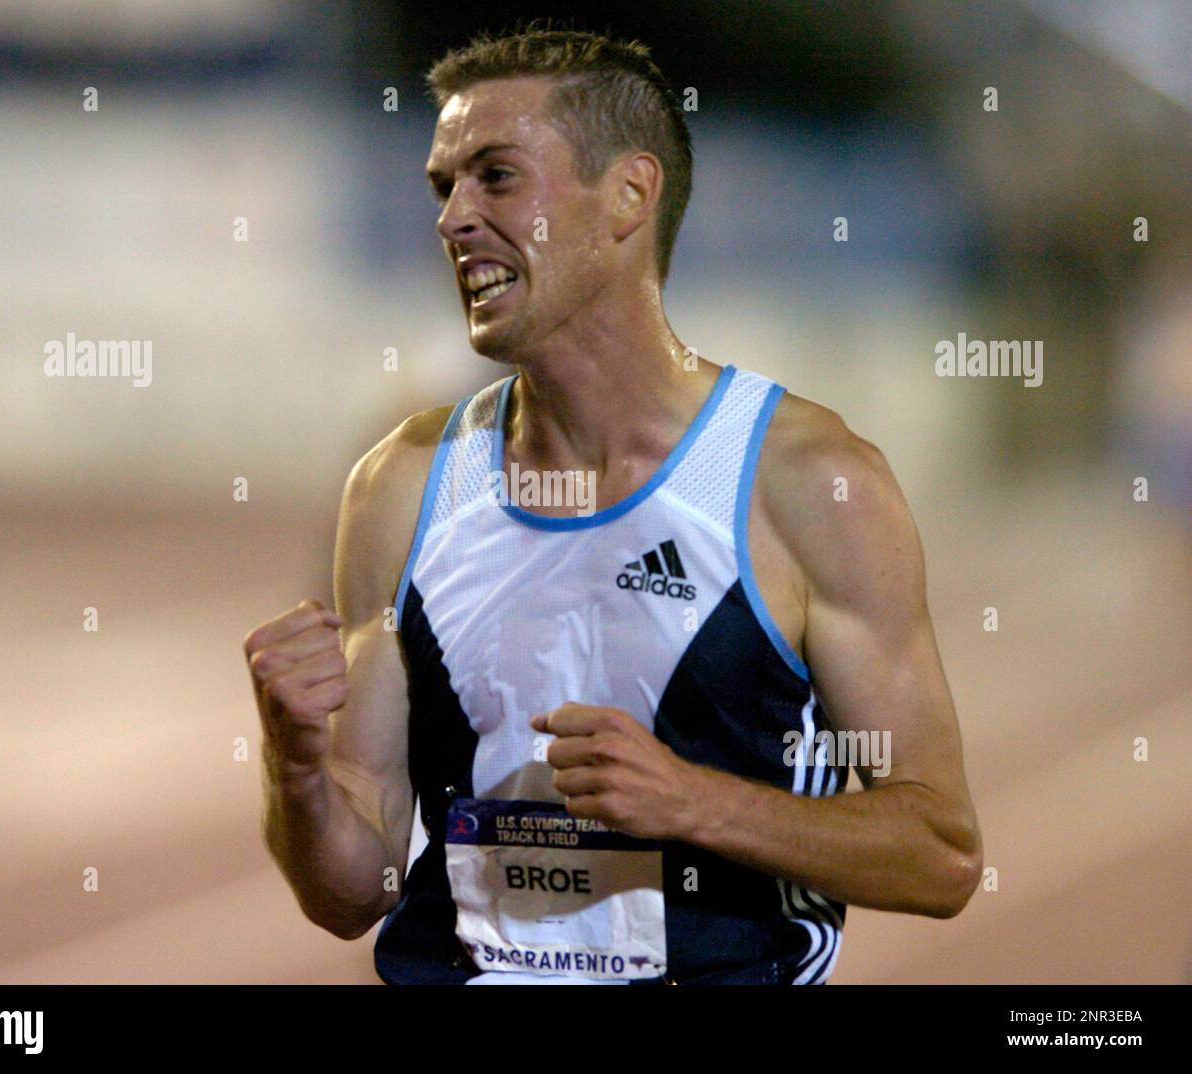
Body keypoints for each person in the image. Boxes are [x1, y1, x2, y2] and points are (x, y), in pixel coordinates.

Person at [243, 26, 981, 985]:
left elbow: (941, 851)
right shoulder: (401, 487)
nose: (453, 218)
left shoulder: (806, 485)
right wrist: (295, 769)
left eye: (495, 177)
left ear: (630, 194)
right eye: (444, 186)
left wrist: (690, 802)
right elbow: (352, 893)